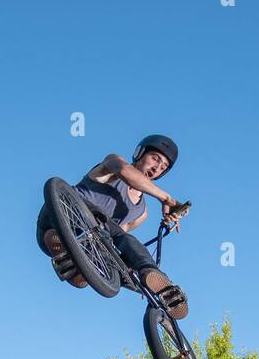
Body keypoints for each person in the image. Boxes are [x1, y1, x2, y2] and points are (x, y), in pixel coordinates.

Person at [37, 134, 189, 318]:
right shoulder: (114, 163)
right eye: (154, 159)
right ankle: (63, 245)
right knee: (99, 219)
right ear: (140, 153)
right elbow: (125, 171)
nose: (156, 168)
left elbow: (115, 244)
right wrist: (166, 198)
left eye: (162, 167)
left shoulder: (141, 213)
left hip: (84, 240)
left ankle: (155, 280)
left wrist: (135, 277)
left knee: (121, 241)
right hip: (57, 213)